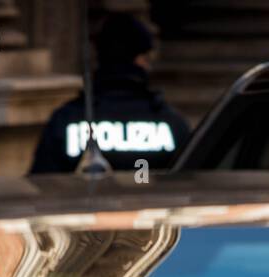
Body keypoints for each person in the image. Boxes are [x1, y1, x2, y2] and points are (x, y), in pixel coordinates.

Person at [29, 13, 191, 174]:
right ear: (140, 59)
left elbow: (41, 184)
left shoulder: (65, 120)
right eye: (147, 58)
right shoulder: (171, 123)